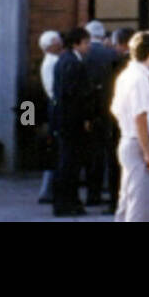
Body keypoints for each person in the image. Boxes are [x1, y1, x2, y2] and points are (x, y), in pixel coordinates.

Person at [110, 31, 149, 222]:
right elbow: (140, 116)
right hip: (138, 141)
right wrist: (147, 152)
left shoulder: (126, 75)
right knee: (139, 204)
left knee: (127, 199)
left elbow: (115, 109)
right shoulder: (140, 79)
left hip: (127, 138)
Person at [51, 26, 94, 216]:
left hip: (66, 120)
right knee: (70, 164)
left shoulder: (66, 60)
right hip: (71, 121)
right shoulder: (72, 63)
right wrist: (85, 117)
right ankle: (66, 203)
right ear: (76, 44)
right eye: (86, 43)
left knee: (68, 163)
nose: (89, 46)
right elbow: (74, 95)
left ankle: (67, 202)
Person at [82, 19, 117, 206]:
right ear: (103, 35)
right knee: (111, 154)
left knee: (92, 154)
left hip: (90, 111)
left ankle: (92, 194)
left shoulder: (84, 55)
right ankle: (112, 194)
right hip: (110, 110)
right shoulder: (112, 54)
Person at [36, 29, 63, 204]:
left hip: (54, 108)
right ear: (50, 46)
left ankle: (48, 189)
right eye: (57, 41)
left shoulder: (51, 61)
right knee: (58, 150)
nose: (61, 43)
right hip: (57, 108)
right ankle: (48, 190)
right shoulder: (53, 63)